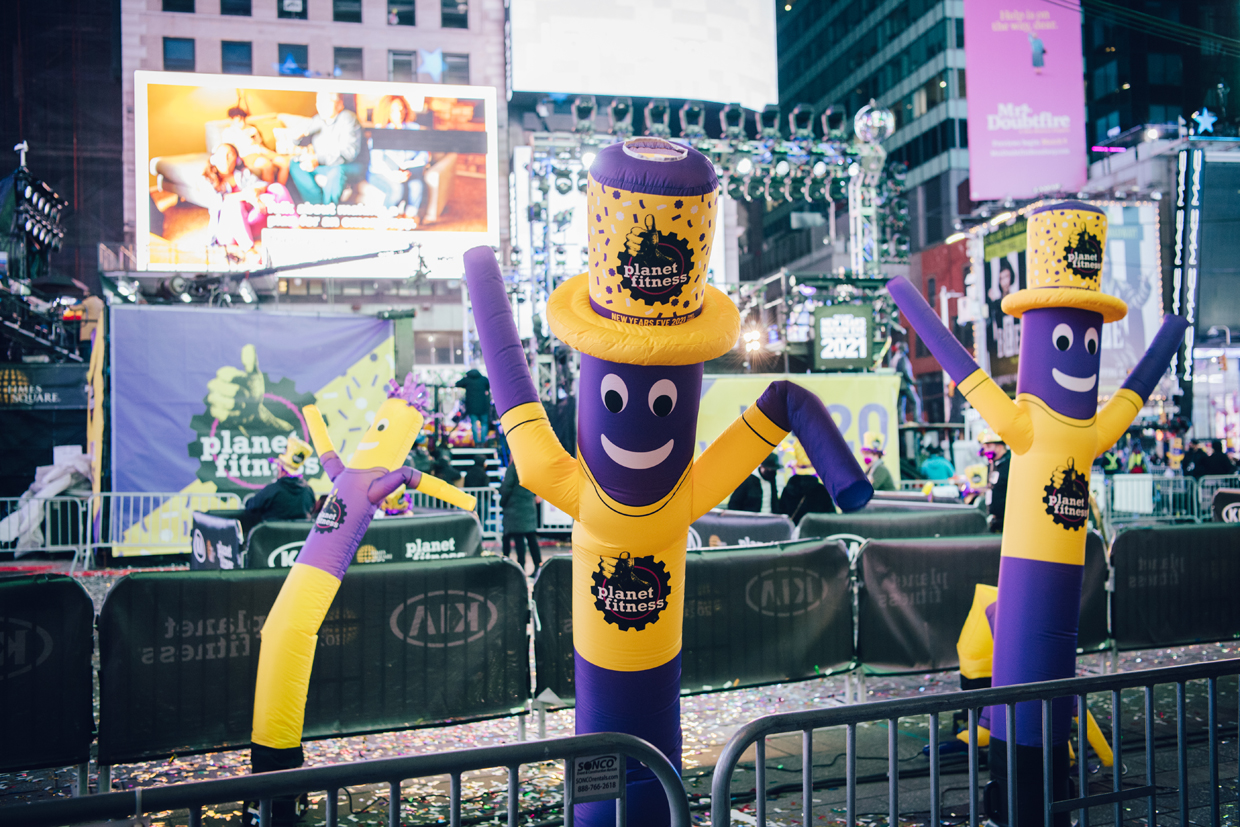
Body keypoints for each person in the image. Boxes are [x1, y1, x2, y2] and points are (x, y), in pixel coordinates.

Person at [203, 143, 293, 263]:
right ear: (214, 159)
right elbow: (217, 202)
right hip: (227, 231)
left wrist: (256, 191)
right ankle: (249, 250)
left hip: (248, 224)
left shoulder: (242, 174)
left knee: (277, 188)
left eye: (230, 155)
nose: (225, 159)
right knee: (234, 204)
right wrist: (247, 196)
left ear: (237, 159)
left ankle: (296, 226)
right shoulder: (208, 179)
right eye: (221, 155)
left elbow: (262, 185)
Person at [287, 92, 364, 205]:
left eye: (326, 102)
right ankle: (316, 206)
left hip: (348, 165)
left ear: (339, 105)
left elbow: (349, 153)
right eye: (319, 102)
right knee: (295, 164)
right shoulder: (318, 119)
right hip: (323, 164)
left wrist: (318, 159)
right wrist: (296, 137)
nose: (320, 106)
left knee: (337, 171)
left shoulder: (348, 119)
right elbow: (303, 140)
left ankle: (329, 212)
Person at [367, 95, 428, 220]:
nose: (399, 113)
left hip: (408, 172)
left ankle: (410, 218)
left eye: (401, 109)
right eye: (393, 110)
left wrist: (411, 167)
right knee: (397, 189)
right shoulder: (380, 131)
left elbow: (424, 155)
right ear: (386, 112)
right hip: (381, 173)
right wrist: (393, 175)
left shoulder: (414, 129)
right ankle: (385, 220)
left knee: (417, 186)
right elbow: (377, 162)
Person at [245, 437, 316, 523]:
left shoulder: (272, 490)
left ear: (281, 469)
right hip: (301, 536)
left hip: (272, 536)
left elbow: (251, 506)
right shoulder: (308, 491)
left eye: (278, 465)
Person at [219, 106, 290, 185]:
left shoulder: (251, 129)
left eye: (243, 119)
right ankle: (271, 192)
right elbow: (230, 150)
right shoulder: (228, 132)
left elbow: (260, 144)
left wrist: (268, 152)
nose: (242, 122)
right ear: (231, 120)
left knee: (285, 162)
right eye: (239, 120)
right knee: (267, 164)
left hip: (261, 151)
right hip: (247, 155)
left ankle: (280, 188)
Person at [778, 440, 835, 522]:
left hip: (792, 533)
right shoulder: (822, 491)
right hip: (818, 533)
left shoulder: (787, 490)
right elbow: (831, 518)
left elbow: (780, 517)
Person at [499, 462, 540, 573]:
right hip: (529, 507)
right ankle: (538, 566)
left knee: (519, 539)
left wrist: (502, 502)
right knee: (531, 538)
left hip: (515, 508)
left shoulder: (513, 469)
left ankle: (521, 568)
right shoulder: (529, 467)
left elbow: (506, 487)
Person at [979, 430, 1009, 533]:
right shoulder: (992, 464)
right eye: (984, 447)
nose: (985, 450)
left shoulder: (1010, 464)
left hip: (1006, 520)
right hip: (994, 519)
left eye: (988, 446)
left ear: (1000, 446)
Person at [455, 368, 493, 446]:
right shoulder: (483, 379)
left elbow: (457, 384)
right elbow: (490, 385)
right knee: (484, 424)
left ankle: (476, 442)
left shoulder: (468, 380)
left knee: (474, 424)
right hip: (483, 406)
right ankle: (483, 441)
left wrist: (465, 377)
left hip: (472, 406)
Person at [890, 340, 922, 423]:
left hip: (897, 385)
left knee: (900, 404)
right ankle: (917, 419)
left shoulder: (894, 359)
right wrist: (911, 381)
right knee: (915, 401)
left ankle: (900, 420)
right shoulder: (902, 358)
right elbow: (905, 371)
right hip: (905, 385)